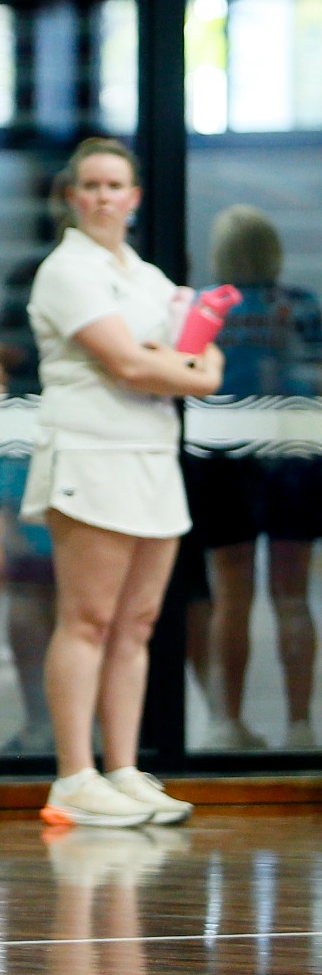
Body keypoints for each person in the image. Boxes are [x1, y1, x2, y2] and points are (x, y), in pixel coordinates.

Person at [20, 140, 222, 827]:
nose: (103, 197)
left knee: (136, 624)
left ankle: (124, 770)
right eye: (92, 185)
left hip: (152, 461)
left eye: (115, 186)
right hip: (89, 457)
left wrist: (183, 366)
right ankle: (75, 777)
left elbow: (208, 357)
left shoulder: (149, 278)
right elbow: (130, 366)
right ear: (73, 196)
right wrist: (183, 369)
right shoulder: (65, 271)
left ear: (134, 198)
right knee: (89, 619)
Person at [188, 205, 321, 749]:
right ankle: (300, 725)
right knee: (292, 595)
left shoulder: (207, 306)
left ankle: (226, 722)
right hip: (294, 452)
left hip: (221, 454)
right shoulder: (302, 306)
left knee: (230, 595)